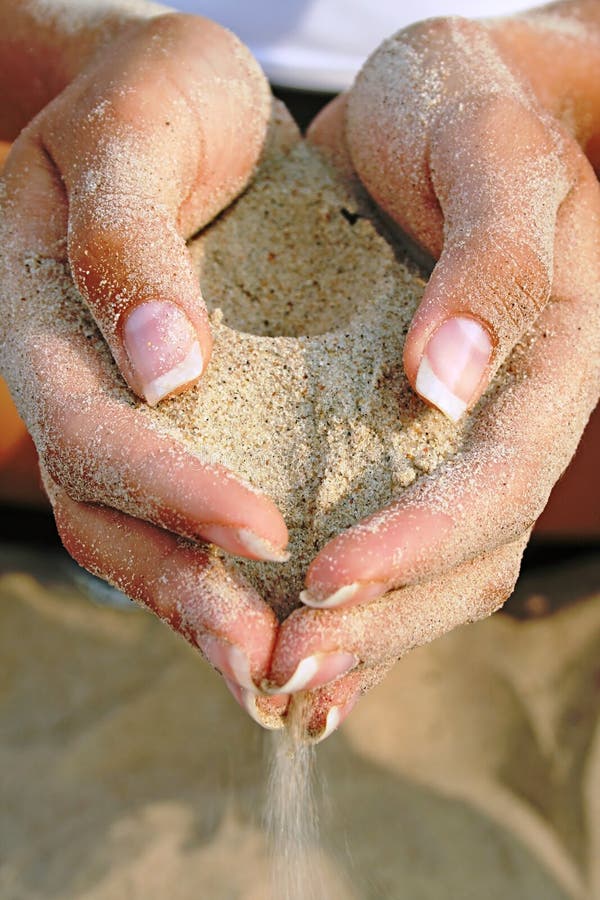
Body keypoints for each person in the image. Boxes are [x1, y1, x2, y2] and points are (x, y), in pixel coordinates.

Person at [0, 0, 598, 740]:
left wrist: (549, 73)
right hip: (143, 127)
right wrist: (79, 52)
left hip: (486, 151)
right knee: (66, 370)